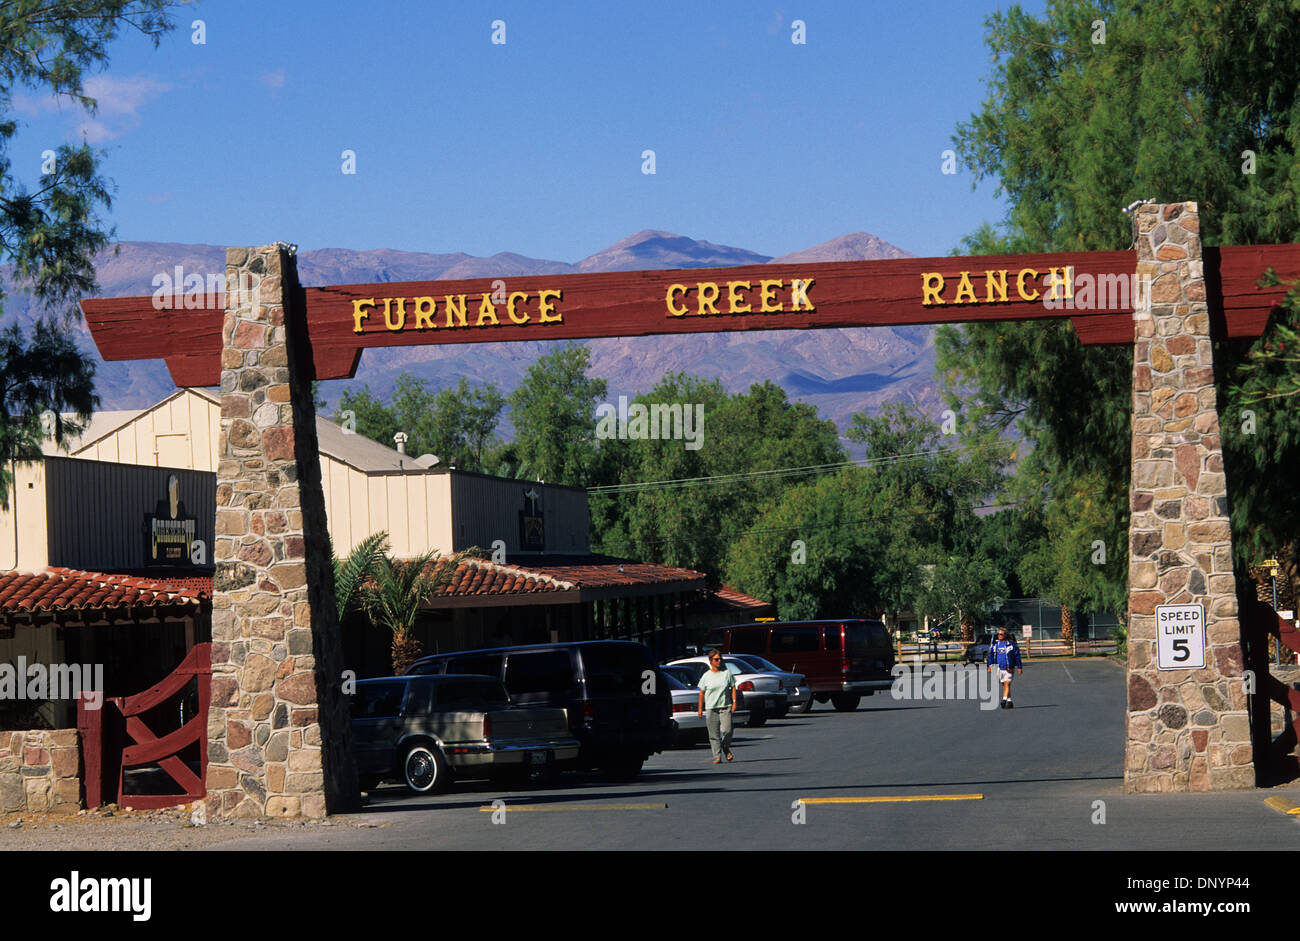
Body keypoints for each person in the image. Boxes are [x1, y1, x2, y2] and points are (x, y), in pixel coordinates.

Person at [696, 649, 738, 763]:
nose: (719, 661)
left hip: (725, 706)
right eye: (716, 659)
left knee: (728, 730)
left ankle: (725, 747)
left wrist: (734, 702)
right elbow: (701, 692)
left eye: (720, 659)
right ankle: (717, 756)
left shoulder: (726, 673)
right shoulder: (706, 676)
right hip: (711, 708)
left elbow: (733, 687)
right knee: (713, 734)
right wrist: (700, 709)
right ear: (711, 661)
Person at [987, 627, 1023, 708]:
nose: (999, 636)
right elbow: (991, 656)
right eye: (998, 634)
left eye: (1001, 634)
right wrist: (990, 665)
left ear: (1005, 635)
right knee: (1004, 684)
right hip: (999, 668)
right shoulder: (995, 645)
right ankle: (1009, 701)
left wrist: (1019, 667)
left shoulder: (1011, 645)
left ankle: (1004, 700)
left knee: (1007, 683)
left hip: (1009, 668)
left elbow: (1017, 656)